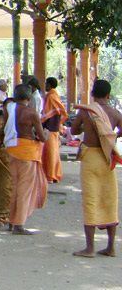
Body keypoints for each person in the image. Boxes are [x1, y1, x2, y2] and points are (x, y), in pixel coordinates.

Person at [70, 79, 122, 258]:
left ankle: (90, 248)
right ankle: (111, 247)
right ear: (108, 95)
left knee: (90, 200)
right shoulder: (115, 113)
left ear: (92, 93)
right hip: (107, 159)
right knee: (110, 200)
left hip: (90, 157)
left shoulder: (86, 111)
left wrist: (87, 127)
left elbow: (74, 131)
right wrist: (110, 135)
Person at [3, 83, 49, 235]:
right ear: (29, 98)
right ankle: (19, 224)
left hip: (11, 149)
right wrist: (46, 135)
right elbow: (41, 136)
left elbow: (5, 127)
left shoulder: (9, 109)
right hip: (27, 152)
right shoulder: (32, 113)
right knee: (24, 190)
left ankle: (11, 220)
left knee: (14, 186)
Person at [41, 77, 68, 183]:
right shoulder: (52, 95)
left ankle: (50, 176)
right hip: (53, 128)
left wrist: (43, 124)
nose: (45, 86)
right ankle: (53, 174)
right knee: (53, 153)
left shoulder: (51, 96)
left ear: (50, 85)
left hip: (51, 128)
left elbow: (55, 113)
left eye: (46, 84)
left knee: (50, 153)